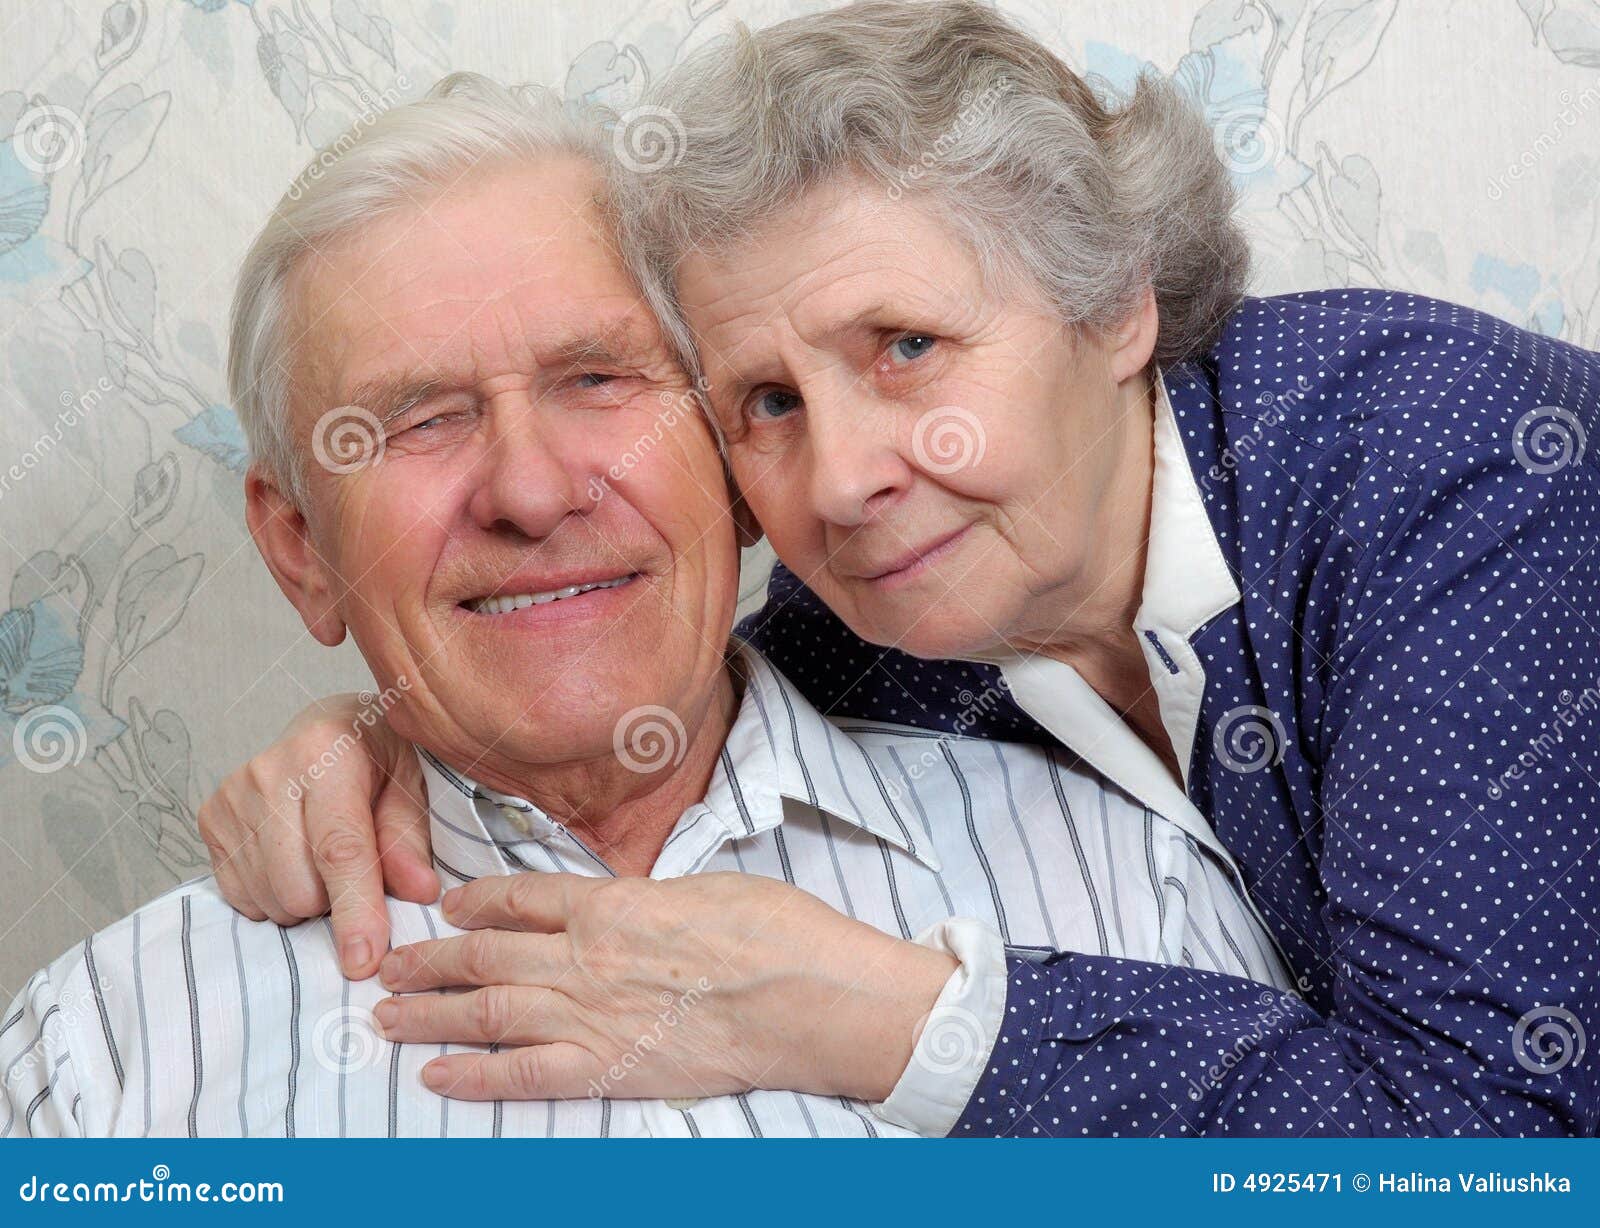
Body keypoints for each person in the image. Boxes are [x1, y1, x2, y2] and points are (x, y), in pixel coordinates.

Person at [198, 0, 1600, 1135]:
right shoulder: (893, 608)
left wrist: (889, 1020)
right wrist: (380, 736)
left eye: (907, 347)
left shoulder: (1460, 475)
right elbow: (592, 683)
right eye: (766, 402)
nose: (845, 480)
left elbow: (1499, 1149)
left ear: (1116, 302)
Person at [0, 73, 1286, 1139]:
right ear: (300, 550)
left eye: (600, 379)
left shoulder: (1136, 882)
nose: (530, 488)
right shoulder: (107, 1058)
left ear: (735, 460)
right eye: (422, 419)